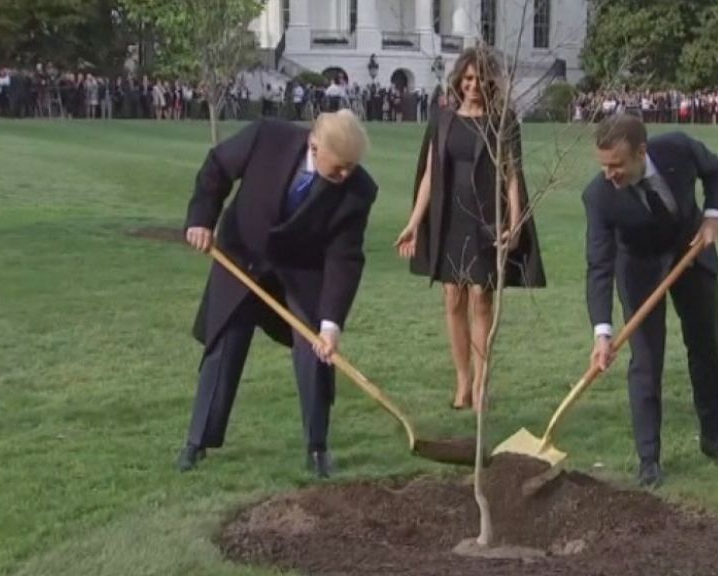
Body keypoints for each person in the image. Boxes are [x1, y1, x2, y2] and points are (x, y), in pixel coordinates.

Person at [177, 109, 377, 479]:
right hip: (241, 257)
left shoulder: (357, 191)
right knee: (225, 343)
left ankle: (317, 447)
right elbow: (217, 167)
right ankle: (197, 442)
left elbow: (344, 257)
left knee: (316, 349)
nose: (347, 175)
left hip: (301, 273)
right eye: (340, 167)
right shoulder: (266, 137)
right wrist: (201, 219)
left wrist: (331, 323)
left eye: (352, 166)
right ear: (314, 146)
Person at [583, 113, 718, 488]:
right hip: (638, 270)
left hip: (691, 251)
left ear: (641, 152)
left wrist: (713, 215)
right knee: (646, 359)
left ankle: (714, 438)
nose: (610, 174)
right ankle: (649, 459)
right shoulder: (599, 196)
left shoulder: (677, 148)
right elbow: (599, 265)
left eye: (617, 165)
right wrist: (602, 333)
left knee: (705, 348)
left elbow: (714, 170)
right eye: (603, 165)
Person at [395, 47, 545, 410]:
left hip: (487, 217)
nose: (474, 85)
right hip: (449, 218)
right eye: (467, 79)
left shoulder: (503, 120)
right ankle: (462, 380)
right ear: (459, 81)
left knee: (481, 296)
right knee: (452, 296)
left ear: (489, 81)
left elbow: (512, 175)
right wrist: (414, 223)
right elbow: (429, 175)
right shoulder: (443, 119)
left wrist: (515, 223)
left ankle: (481, 384)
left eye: (480, 79)